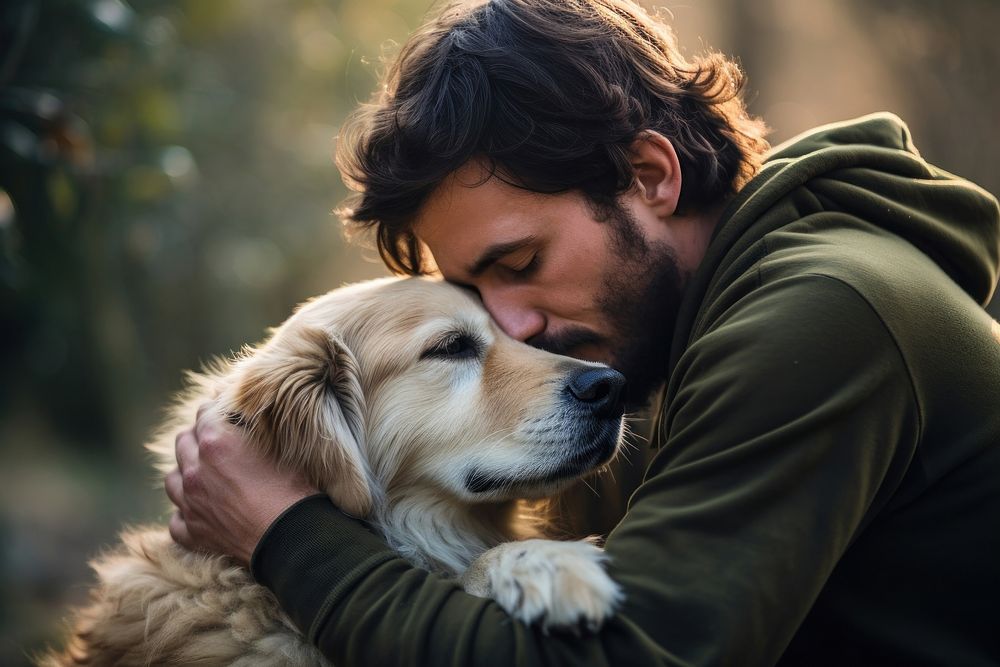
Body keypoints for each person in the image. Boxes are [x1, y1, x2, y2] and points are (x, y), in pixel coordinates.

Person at [166, 0, 1000, 664]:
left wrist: (288, 534)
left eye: (521, 260)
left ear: (651, 175)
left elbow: (619, 655)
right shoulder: (682, 330)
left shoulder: (818, 313)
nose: (515, 324)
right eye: (477, 293)